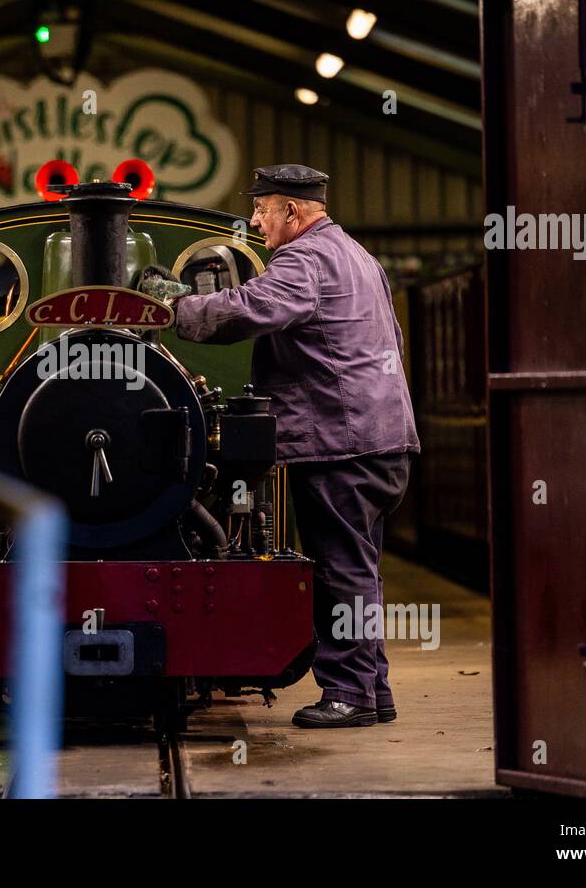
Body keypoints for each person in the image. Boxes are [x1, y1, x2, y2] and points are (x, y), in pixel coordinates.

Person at [145, 164, 420, 728]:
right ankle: (373, 688)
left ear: (291, 211)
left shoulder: (304, 259)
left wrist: (172, 307)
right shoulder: (356, 254)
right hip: (380, 439)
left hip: (341, 443)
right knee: (359, 570)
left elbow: (248, 309)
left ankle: (349, 694)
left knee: (340, 573)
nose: (255, 221)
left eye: (261, 209)